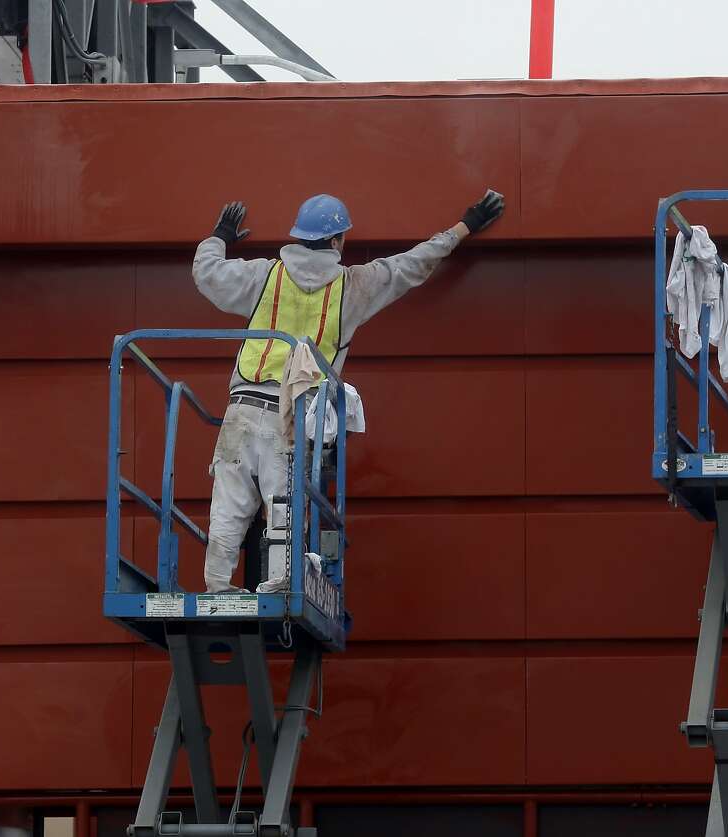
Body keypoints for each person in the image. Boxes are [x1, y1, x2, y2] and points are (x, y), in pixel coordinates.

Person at [193, 190, 505, 593]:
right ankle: (277, 587)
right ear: (338, 240)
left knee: (228, 507)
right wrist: (466, 225)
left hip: (242, 407)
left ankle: (216, 587)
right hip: (292, 416)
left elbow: (207, 271)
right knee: (284, 508)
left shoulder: (263, 276)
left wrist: (220, 235)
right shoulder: (354, 286)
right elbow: (413, 264)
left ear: (299, 236)